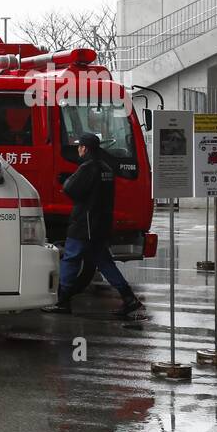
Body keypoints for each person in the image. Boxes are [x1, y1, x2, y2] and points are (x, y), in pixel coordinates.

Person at [43, 132, 143, 316]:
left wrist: (66, 181)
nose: (78, 149)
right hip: (100, 224)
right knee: (104, 262)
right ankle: (129, 298)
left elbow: (70, 189)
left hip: (84, 224)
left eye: (80, 146)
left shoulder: (88, 168)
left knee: (71, 259)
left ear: (85, 148)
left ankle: (62, 301)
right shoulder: (106, 167)